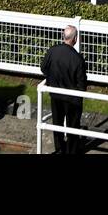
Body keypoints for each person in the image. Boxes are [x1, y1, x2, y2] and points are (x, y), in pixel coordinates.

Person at [40, 26, 88, 154]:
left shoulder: (52, 51)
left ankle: (60, 149)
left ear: (64, 36)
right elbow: (82, 85)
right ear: (75, 39)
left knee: (57, 123)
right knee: (73, 126)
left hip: (56, 95)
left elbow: (44, 68)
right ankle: (71, 150)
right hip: (72, 99)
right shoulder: (77, 59)